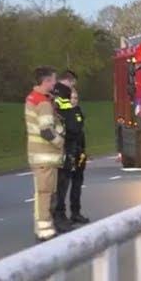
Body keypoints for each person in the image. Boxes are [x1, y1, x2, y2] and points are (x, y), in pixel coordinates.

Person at [25, 66, 64, 241]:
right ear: (46, 81)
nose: (55, 83)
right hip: (45, 155)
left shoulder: (32, 98)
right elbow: (46, 131)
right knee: (46, 194)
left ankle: (42, 227)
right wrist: (61, 142)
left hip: (38, 154)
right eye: (53, 80)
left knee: (41, 193)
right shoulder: (43, 102)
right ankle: (45, 230)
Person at [52, 70, 89, 228]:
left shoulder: (76, 110)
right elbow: (71, 128)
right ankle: (59, 215)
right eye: (72, 96)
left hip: (77, 149)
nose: (73, 100)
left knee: (76, 181)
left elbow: (79, 129)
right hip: (65, 148)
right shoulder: (60, 105)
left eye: (76, 98)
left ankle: (75, 212)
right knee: (62, 183)